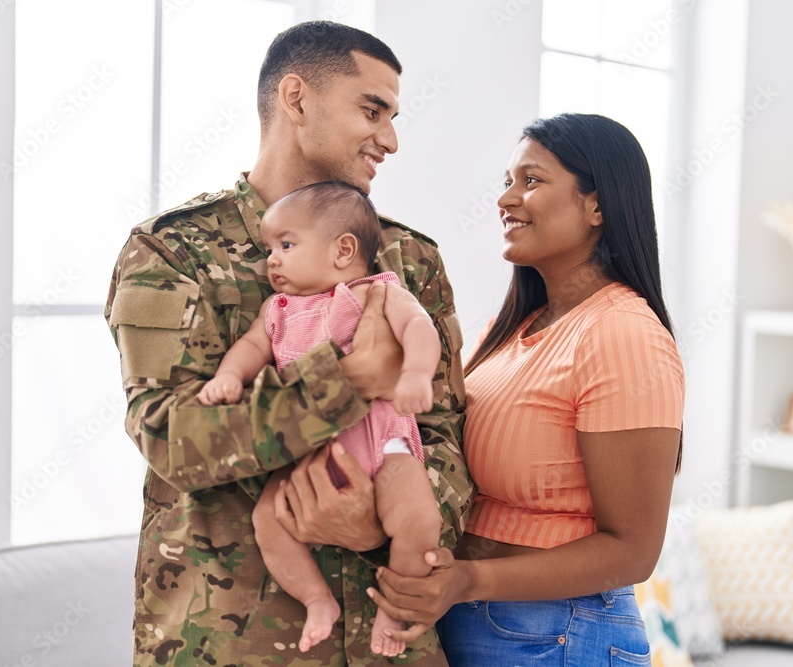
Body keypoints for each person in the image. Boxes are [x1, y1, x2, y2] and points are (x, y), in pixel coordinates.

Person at [103, 21, 472, 666]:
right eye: (372, 109)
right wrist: (346, 380)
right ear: (296, 100)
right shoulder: (172, 251)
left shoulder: (407, 258)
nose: (390, 138)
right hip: (231, 646)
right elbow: (170, 437)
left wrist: (382, 524)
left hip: (392, 647)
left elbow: (447, 437)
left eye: (392, 116)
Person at [367, 113, 685, 666]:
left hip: (559, 634)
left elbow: (632, 551)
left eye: (531, 181)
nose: (506, 199)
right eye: (506, 181)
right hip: (480, 622)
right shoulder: (512, 325)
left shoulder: (624, 335)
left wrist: (468, 579)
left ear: (598, 205)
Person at [196, 181, 443, 657]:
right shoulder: (277, 310)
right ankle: (316, 600)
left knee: (418, 520)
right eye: (270, 247)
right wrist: (229, 376)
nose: (271, 259)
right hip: (308, 454)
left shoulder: (374, 292)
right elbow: (251, 348)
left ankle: (394, 609)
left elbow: (418, 326)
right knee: (268, 520)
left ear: (343, 250)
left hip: (380, 442)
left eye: (285, 245)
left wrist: (416, 373)